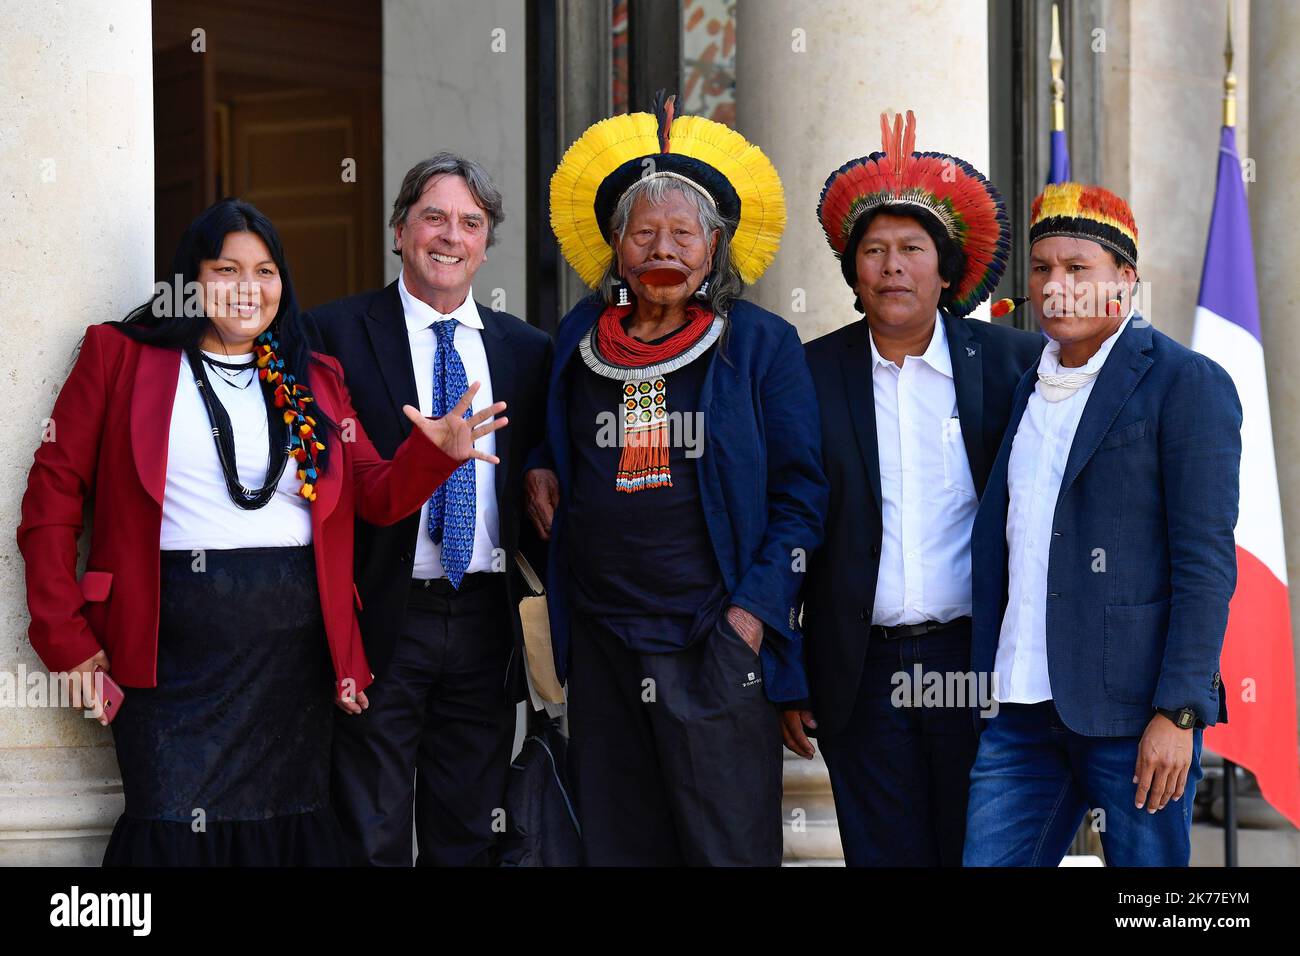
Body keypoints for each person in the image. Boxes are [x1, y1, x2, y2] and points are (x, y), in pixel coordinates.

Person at [16, 198, 506, 866]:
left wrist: (435, 455)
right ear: (189, 279)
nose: (249, 286)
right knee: (169, 829)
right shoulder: (119, 358)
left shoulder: (316, 379)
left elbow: (377, 496)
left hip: (293, 672)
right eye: (226, 268)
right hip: (166, 666)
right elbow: (51, 499)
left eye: (266, 270)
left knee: (289, 832)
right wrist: (64, 638)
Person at [526, 93, 827, 865]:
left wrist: (750, 620)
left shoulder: (761, 346)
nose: (664, 247)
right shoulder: (578, 340)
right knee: (620, 845)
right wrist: (538, 465)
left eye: (682, 233)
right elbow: (550, 433)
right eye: (644, 231)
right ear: (617, 247)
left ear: (716, 246)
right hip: (601, 641)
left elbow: (802, 498)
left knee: (722, 846)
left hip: (712, 644)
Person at [963, 182, 1242, 866]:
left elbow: (1204, 564)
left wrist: (1180, 712)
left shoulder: (1186, 382)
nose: (1055, 285)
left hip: (1133, 714)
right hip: (1018, 706)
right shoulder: (1025, 382)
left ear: (1125, 278)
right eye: (1042, 268)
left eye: (1076, 269)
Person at [796, 110, 1043, 866]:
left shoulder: (1009, 366)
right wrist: (787, 672)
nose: (892, 266)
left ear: (946, 271)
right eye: (874, 251)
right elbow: (785, 522)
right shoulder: (809, 373)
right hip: (859, 672)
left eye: (911, 249)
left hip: (975, 660)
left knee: (979, 850)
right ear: (853, 272)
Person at [307, 153, 552, 866]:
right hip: (383, 616)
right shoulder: (336, 335)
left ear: (485, 243)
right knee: (369, 831)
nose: (451, 236)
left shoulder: (527, 351)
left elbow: (547, 461)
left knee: (469, 832)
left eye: (470, 223)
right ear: (399, 231)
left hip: (485, 620)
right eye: (434, 217)